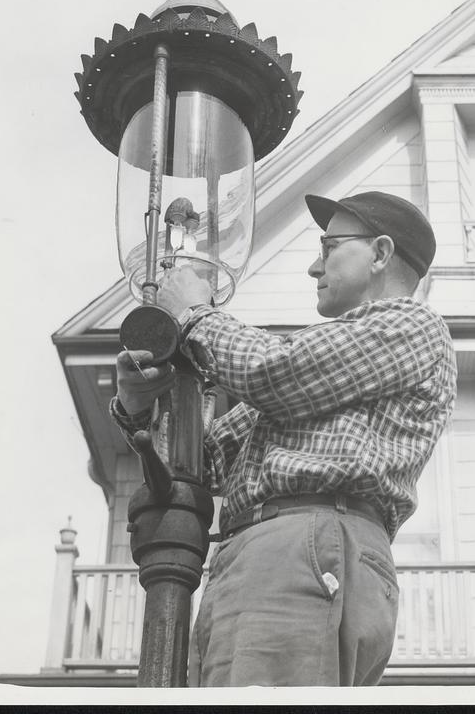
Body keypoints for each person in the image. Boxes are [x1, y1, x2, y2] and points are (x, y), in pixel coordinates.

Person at [110, 190, 457, 687]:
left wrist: (193, 313)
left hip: (300, 548)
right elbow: (206, 462)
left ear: (380, 253)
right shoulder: (323, 378)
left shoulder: (413, 325)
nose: (315, 267)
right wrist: (137, 406)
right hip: (270, 553)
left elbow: (274, 369)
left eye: (329, 247)